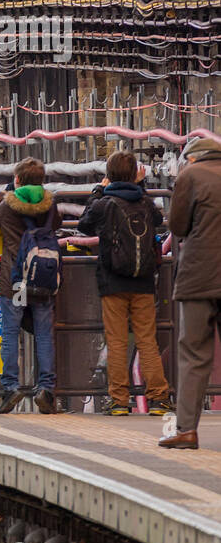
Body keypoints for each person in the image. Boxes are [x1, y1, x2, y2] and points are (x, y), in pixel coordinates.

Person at [77, 150, 172, 416]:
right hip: (143, 281)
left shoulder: (104, 204)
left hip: (112, 280)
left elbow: (84, 225)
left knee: (117, 342)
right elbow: (156, 220)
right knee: (147, 341)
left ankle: (118, 401)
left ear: (110, 175)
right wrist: (139, 186)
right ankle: (158, 398)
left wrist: (99, 189)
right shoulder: (143, 202)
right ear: (134, 174)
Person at [0, 157, 61, 414]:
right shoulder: (50, 204)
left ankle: (11, 387)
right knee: (45, 333)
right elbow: (56, 225)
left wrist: (0, 195)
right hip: (44, 280)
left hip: (17, 282)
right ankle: (46, 388)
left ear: (17, 180)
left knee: (11, 332)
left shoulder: (8, 205)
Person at [160, 135, 221, 449]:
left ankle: (186, 430)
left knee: (194, 354)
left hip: (199, 277)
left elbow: (179, 226)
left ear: (192, 158)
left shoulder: (191, 176)